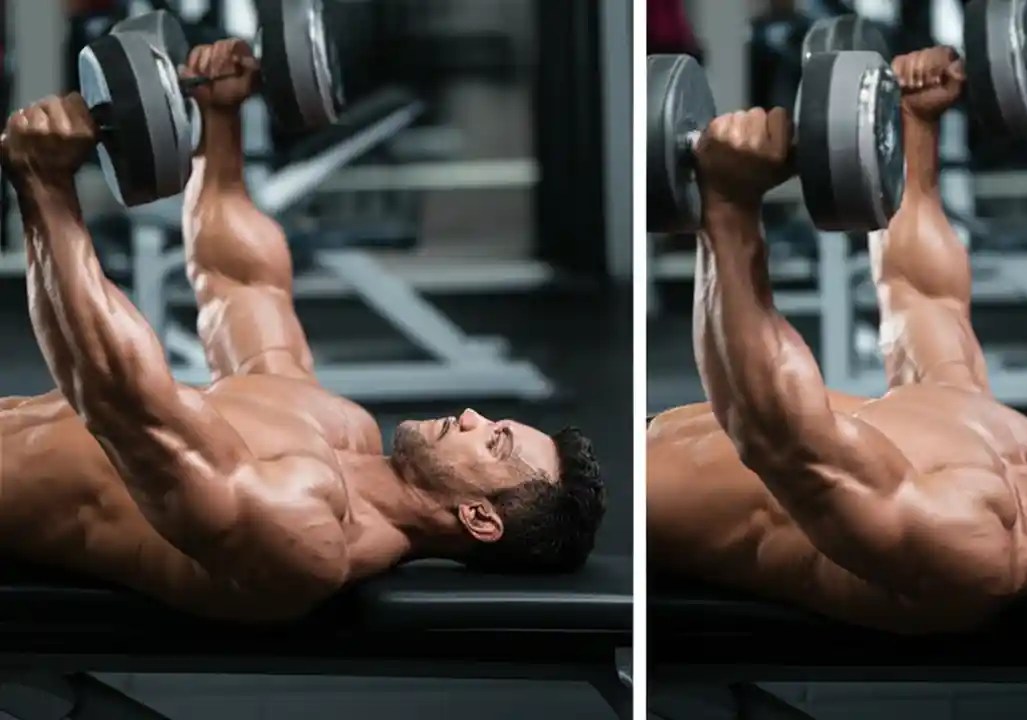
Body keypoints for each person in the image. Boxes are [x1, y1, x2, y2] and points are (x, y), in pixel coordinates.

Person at [647, 46, 1027, 634]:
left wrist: (728, 209)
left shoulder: (976, 548)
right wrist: (915, 128)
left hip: (636, 518)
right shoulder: (1011, 437)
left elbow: (778, 438)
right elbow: (923, 295)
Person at [0, 40, 606, 623]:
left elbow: (121, 402)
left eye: (494, 442)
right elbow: (240, 282)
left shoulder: (308, 537)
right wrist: (222, 122)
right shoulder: (341, 427)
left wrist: (48, 191)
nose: (473, 415)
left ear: (479, 518)